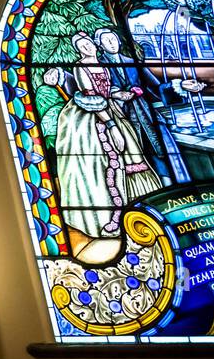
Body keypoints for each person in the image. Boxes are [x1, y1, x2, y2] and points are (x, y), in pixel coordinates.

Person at [54, 31, 162, 264]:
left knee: (131, 156)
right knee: (104, 162)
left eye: (88, 44)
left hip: (110, 107)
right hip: (91, 117)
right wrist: (111, 125)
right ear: (78, 49)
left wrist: (119, 95)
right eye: (82, 45)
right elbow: (92, 99)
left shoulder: (101, 63)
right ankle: (110, 217)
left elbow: (106, 92)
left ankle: (142, 210)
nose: (87, 48)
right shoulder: (80, 68)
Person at [95, 27, 202, 186]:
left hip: (146, 114)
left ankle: (172, 185)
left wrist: (180, 86)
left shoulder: (132, 62)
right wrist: (114, 94)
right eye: (106, 40)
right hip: (119, 116)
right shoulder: (97, 65)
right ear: (99, 45)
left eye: (113, 38)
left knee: (161, 149)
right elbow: (89, 90)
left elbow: (156, 87)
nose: (111, 43)